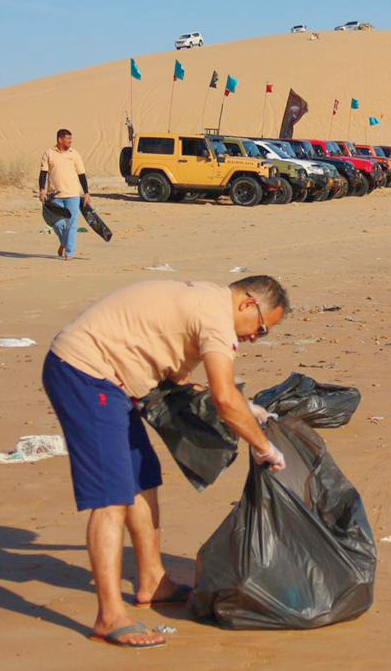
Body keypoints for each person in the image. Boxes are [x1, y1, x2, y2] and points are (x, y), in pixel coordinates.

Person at [42, 275, 290, 648]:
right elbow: (223, 398)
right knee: (111, 498)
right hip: (84, 373)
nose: (256, 338)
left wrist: (246, 407)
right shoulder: (215, 318)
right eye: (262, 328)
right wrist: (263, 447)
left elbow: (185, 381)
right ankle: (109, 616)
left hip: (111, 381)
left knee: (143, 476)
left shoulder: (207, 302)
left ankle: (153, 580)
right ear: (248, 303)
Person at [39, 129, 90, 260]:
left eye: (71, 139)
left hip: (73, 194)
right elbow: (43, 173)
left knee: (72, 224)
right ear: (60, 139)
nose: (70, 141)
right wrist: (42, 190)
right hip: (55, 195)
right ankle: (64, 242)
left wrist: (86, 193)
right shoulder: (49, 153)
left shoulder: (75, 154)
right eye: (68, 139)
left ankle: (70, 252)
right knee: (57, 223)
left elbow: (82, 174)